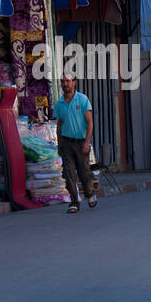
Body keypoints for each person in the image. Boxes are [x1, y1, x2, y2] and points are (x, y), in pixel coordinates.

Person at [53, 73, 96, 214]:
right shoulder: (59, 104)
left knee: (84, 172)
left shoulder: (82, 99)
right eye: (63, 81)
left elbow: (90, 123)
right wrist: (59, 145)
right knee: (68, 173)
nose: (65, 84)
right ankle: (74, 202)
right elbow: (59, 125)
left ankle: (89, 194)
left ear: (74, 83)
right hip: (66, 143)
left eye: (68, 81)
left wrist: (87, 142)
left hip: (81, 142)